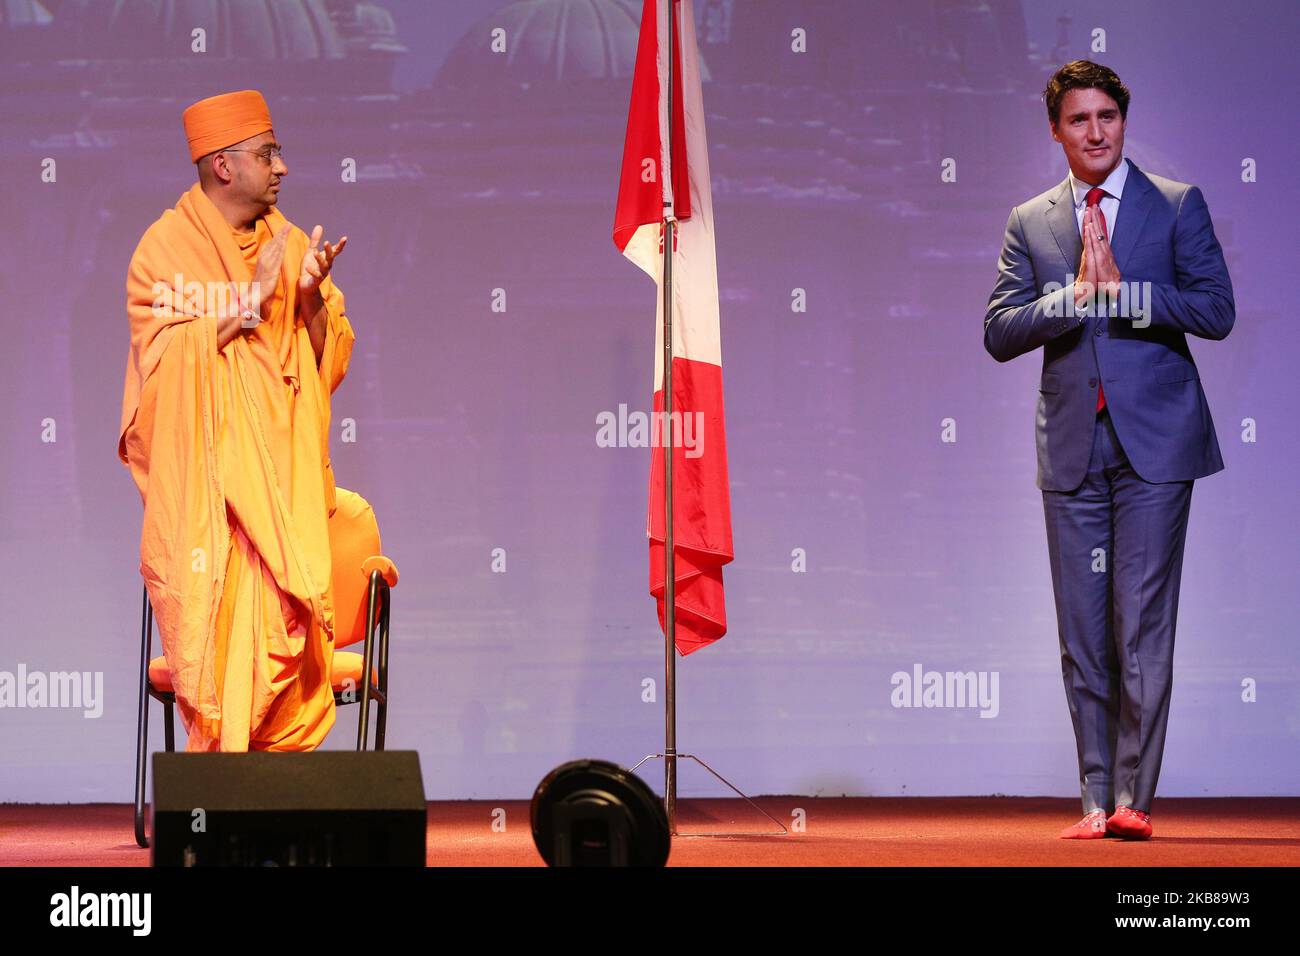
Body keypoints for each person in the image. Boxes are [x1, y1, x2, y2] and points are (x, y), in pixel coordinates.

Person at [984, 61, 1234, 839]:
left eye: (1107, 117)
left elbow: (1216, 310)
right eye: (1079, 120)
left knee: (1140, 627)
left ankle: (1134, 800)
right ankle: (1094, 800)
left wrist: (1125, 295)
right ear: (1056, 130)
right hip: (1072, 449)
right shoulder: (1032, 219)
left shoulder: (1174, 204)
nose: (1095, 132)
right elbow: (998, 331)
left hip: (1156, 446)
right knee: (1083, 634)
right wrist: (1074, 299)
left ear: (1124, 121)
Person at [118, 90, 354, 751]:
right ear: (223, 165)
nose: (281, 169)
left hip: (282, 492)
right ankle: (222, 805)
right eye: (267, 154)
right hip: (210, 505)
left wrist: (307, 303)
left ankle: (281, 809)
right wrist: (252, 301)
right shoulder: (164, 250)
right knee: (222, 646)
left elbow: (319, 367)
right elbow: (160, 367)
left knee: (285, 634)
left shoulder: (290, 243)